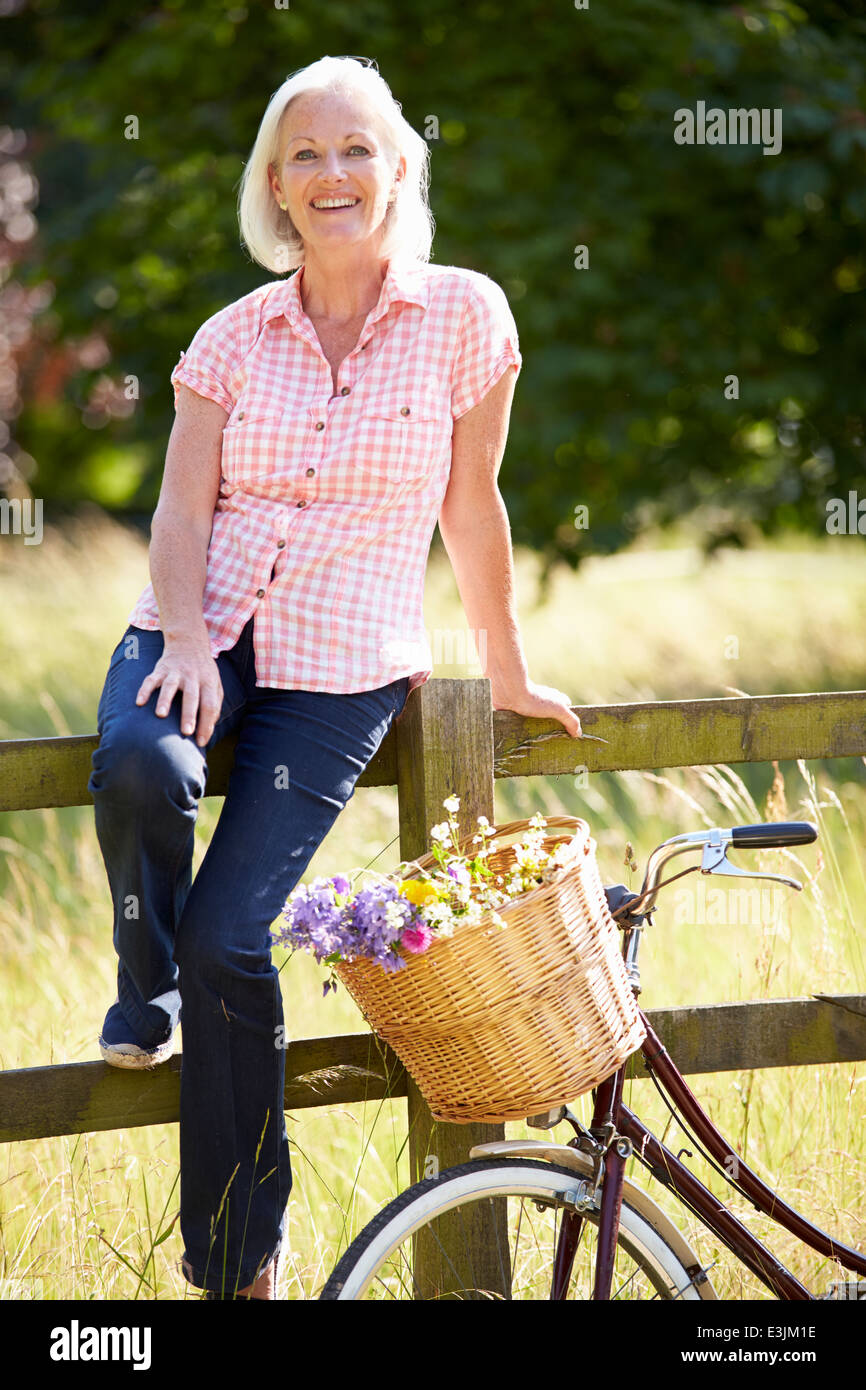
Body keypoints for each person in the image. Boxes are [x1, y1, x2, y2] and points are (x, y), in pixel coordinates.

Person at [87, 54, 583, 1301]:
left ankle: (237, 1259)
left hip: (339, 664)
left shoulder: (467, 317)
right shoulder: (230, 335)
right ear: (273, 185)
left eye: (356, 149)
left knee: (233, 937)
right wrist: (191, 640)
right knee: (141, 763)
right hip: (197, 622)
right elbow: (179, 511)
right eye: (304, 155)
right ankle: (137, 987)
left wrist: (503, 666)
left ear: (399, 167)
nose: (331, 174)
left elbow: (472, 504)